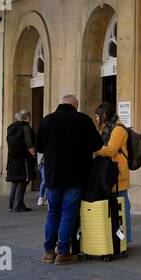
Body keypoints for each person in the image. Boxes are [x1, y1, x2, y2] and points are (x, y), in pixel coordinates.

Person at [36, 94, 103, 265]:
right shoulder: (83, 120)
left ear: (61, 103)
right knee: (68, 213)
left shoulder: (47, 121)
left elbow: (39, 147)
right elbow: (98, 145)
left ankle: (49, 252)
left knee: (52, 213)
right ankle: (63, 252)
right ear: (75, 105)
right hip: (75, 175)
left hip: (53, 176)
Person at [93, 103, 132, 244]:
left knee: (122, 207)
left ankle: (124, 239)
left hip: (117, 173)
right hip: (107, 173)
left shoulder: (118, 129)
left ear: (104, 115)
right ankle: (115, 239)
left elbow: (110, 150)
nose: (96, 119)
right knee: (113, 208)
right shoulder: (105, 129)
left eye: (98, 116)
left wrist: (93, 147)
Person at [4, 110, 37, 212]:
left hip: (12, 159)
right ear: (26, 117)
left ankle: (11, 205)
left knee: (15, 182)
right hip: (24, 160)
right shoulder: (26, 128)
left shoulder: (11, 127)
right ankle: (18, 206)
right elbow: (29, 144)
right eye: (29, 117)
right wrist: (34, 155)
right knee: (23, 181)